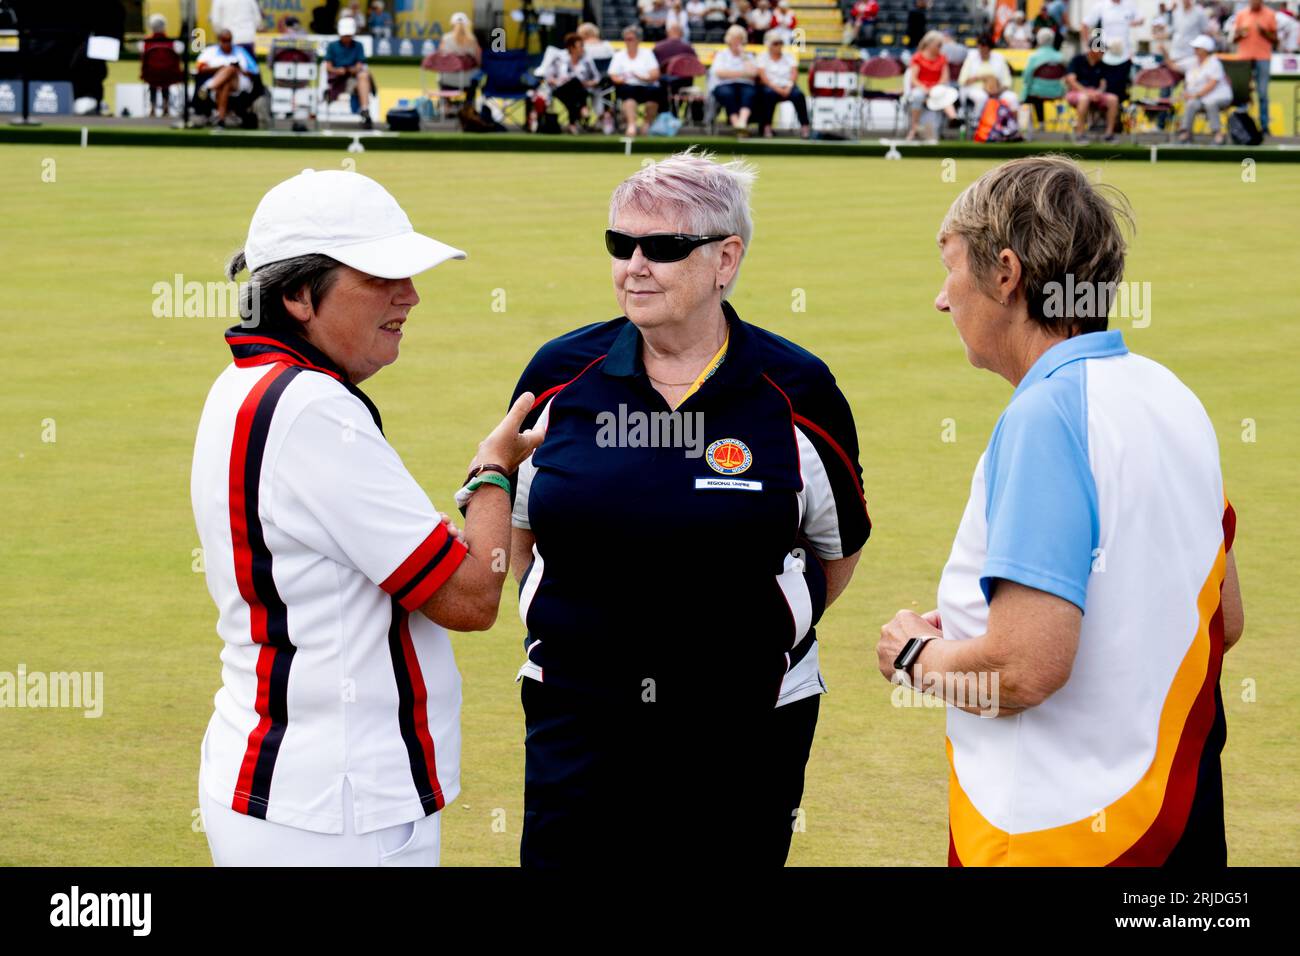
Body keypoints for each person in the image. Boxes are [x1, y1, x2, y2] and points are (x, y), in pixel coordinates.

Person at [877, 154, 1243, 867]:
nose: (942, 299)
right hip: (1179, 813)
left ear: (1006, 274)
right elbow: (1222, 620)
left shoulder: (1046, 415)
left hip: (1061, 836)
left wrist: (914, 657)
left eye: (950, 267)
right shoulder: (1171, 395)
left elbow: (1022, 672)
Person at [509, 149, 869, 868]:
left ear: (725, 259)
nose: (634, 265)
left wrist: (746, 638)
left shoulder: (798, 387)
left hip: (749, 724)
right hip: (578, 718)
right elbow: (521, 533)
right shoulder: (559, 373)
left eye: (664, 247)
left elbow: (836, 548)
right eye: (621, 244)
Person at [193, 169, 544, 866]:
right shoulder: (314, 409)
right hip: (339, 807)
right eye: (380, 275)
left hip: (296, 786)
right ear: (296, 294)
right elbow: (472, 597)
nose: (409, 295)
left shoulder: (245, 383)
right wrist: (494, 473)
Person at [1231, 0, 1277, 136]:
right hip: (1244, 58)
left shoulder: (1270, 14)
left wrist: (1264, 33)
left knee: (1262, 93)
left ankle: (1264, 126)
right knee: (1243, 93)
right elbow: (1234, 38)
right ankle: (1241, 126)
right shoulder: (1241, 14)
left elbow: (1275, 39)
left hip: (1262, 57)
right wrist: (1240, 34)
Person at [196, 28, 259, 127]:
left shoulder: (241, 51)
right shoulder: (210, 52)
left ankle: (207, 88)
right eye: (224, 40)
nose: (227, 43)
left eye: (229, 40)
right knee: (226, 84)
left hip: (239, 83)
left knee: (231, 69)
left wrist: (238, 69)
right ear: (219, 40)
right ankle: (221, 120)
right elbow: (200, 68)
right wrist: (219, 68)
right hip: (220, 84)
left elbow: (254, 71)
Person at [610, 25, 665, 136]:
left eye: (630, 39)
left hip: (646, 85)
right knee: (628, 93)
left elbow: (655, 74)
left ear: (638, 40)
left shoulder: (647, 53)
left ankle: (646, 125)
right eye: (626, 39)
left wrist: (643, 77)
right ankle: (631, 125)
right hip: (627, 86)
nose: (628, 42)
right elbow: (613, 75)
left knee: (654, 93)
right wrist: (623, 79)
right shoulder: (619, 55)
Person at [544, 31, 602, 133]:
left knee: (574, 89)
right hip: (561, 89)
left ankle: (572, 124)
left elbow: (597, 78)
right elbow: (548, 76)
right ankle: (583, 107)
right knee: (574, 82)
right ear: (571, 48)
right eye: (580, 46)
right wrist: (558, 80)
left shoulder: (587, 60)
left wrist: (588, 83)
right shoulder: (559, 58)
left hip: (579, 90)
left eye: (583, 46)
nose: (582, 48)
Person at [1179, 33, 1232, 142]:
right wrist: (1164, 53)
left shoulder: (1214, 63)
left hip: (1220, 97)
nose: (1195, 50)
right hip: (1200, 98)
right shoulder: (1192, 61)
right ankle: (1185, 133)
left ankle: (1218, 134)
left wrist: (1194, 95)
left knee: (1211, 103)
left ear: (1205, 50)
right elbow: (1173, 65)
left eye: (1197, 48)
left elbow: (1211, 85)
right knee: (1191, 104)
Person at [756, 30, 809, 137]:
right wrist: (777, 88)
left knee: (799, 95)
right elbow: (763, 77)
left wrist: (789, 86)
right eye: (776, 43)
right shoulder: (762, 57)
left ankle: (805, 126)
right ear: (769, 45)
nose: (779, 46)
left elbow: (794, 72)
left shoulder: (789, 56)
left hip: (787, 85)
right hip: (771, 87)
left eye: (781, 43)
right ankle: (767, 126)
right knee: (767, 95)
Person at [1065, 40, 1120, 142]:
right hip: (1076, 93)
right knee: (1084, 99)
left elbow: (1103, 83)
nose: (1103, 54)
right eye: (1101, 51)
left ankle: (1109, 134)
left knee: (1113, 99)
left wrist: (1099, 92)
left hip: (1095, 93)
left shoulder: (1102, 64)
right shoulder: (1077, 60)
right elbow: (1071, 80)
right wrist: (1087, 92)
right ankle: (1080, 134)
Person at [324, 17, 374, 128]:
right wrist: (338, 70)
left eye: (349, 35)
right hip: (337, 80)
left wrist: (351, 70)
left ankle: (365, 111)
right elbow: (328, 67)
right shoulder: (332, 46)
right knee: (362, 76)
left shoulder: (358, 45)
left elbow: (359, 65)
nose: (347, 38)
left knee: (364, 75)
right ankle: (363, 111)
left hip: (353, 79)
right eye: (345, 35)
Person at [907, 30, 956, 140]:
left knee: (944, 95)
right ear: (930, 44)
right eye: (938, 45)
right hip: (921, 88)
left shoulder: (942, 57)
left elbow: (945, 78)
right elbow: (913, 79)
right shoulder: (917, 57)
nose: (940, 47)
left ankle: (953, 118)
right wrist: (925, 89)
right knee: (917, 96)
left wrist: (934, 89)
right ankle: (914, 127)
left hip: (937, 88)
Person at [710, 24, 759, 132]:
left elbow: (753, 73)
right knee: (727, 94)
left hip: (745, 85)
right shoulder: (721, 55)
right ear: (729, 40)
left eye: (739, 39)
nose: (737, 42)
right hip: (724, 85)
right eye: (735, 39)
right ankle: (736, 123)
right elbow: (720, 73)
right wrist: (742, 73)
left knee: (749, 93)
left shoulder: (748, 56)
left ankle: (742, 121)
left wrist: (743, 56)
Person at [958, 32, 1017, 117]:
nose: (983, 52)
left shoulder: (999, 58)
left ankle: (1012, 124)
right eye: (981, 49)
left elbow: (1007, 81)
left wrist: (997, 91)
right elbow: (962, 81)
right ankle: (977, 121)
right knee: (982, 97)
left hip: (998, 90)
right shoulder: (971, 58)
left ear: (990, 49)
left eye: (986, 50)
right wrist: (982, 78)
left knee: (1012, 98)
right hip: (975, 89)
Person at [141, 14, 181, 118]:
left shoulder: (145, 42)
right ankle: (166, 108)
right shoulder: (172, 42)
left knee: (152, 84)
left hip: (151, 74)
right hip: (168, 73)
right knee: (165, 84)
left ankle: (152, 109)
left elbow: (142, 59)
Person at [437, 13, 482, 99]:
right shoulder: (472, 40)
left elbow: (440, 59)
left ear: (452, 24)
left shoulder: (445, 38)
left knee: (441, 76)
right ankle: (469, 105)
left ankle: (446, 104)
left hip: (446, 81)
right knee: (476, 76)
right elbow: (479, 61)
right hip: (467, 82)